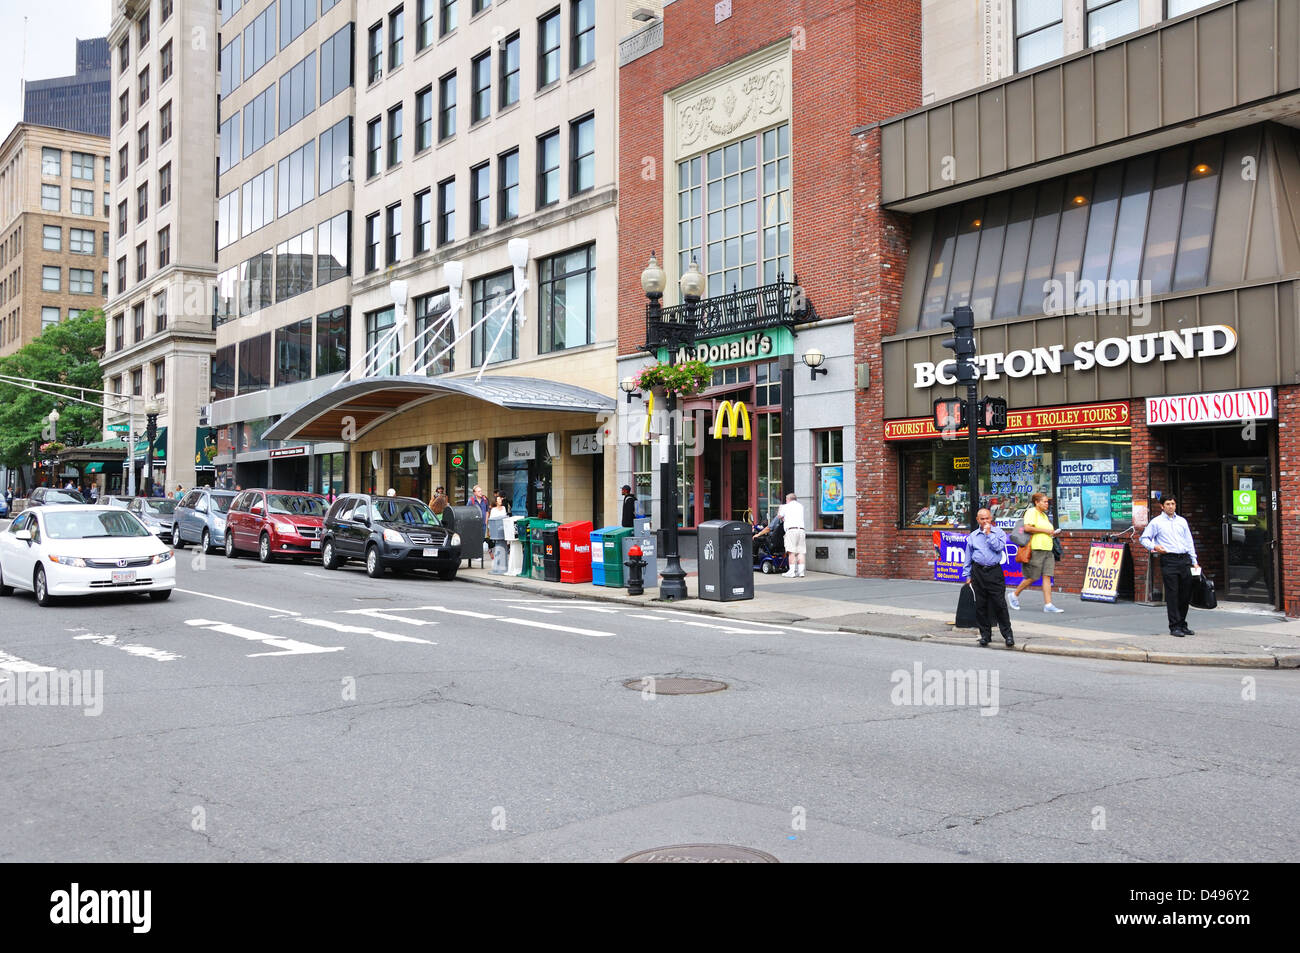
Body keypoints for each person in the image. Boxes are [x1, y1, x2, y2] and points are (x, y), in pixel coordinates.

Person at [1140, 495, 1200, 637]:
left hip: (1184, 559)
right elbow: (1143, 538)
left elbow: (1189, 541)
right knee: (1173, 594)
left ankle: (1182, 623)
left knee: (1185, 594)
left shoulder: (1182, 521)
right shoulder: (1156, 522)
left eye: (1173, 504)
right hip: (1169, 559)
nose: (1170, 506)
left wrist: (1194, 560)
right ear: (1162, 506)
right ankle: (1174, 627)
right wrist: (1154, 547)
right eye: (1167, 504)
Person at [963, 508, 1014, 647]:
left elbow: (998, 548)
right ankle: (985, 635)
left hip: (994, 571)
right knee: (981, 605)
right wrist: (967, 575)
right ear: (977, 520)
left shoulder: (999, 533)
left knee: (999, 604)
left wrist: (988, 534)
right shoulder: (973, 536)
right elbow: (968, 556)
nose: (985, 521)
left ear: (991, 518)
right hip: (978, 571)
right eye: (982, 519)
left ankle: (1008, 635)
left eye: (987, 518)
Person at [1009, 492, 1064, 613]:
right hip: (1036, 548)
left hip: (1048, 549)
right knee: (1033, 576)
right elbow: (1027, 528)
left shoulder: (1044, 515)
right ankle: (1014, 594)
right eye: (1044, 502)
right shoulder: (1031, 512)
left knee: (1047, 576)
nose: (1047, 504)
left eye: (1047, 502)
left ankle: (1048, 604)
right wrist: (1046, 531)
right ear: (1037, 502)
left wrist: (1053, 533)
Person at [778, 492, 807, 577]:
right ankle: (801, 572)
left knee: (791, 552)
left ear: (788, 499)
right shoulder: (800, 506)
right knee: (801, 552)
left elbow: (779, 516)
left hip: (791, 531)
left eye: (786, 500)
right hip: (801, 530)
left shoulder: (785, 506)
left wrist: (780, 508)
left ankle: (792, 572)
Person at [488, 490, 509, 574]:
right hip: (496, 531)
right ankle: (497, 565)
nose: (500, 501)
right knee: (497, 548)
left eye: (501, 499)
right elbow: (492, 521)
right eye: (499, 499)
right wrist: (490, 531)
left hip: (503, 531)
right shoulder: (493, 510)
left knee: (504, 548)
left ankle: (503, 566)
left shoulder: (504, 508)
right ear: (496, 501)